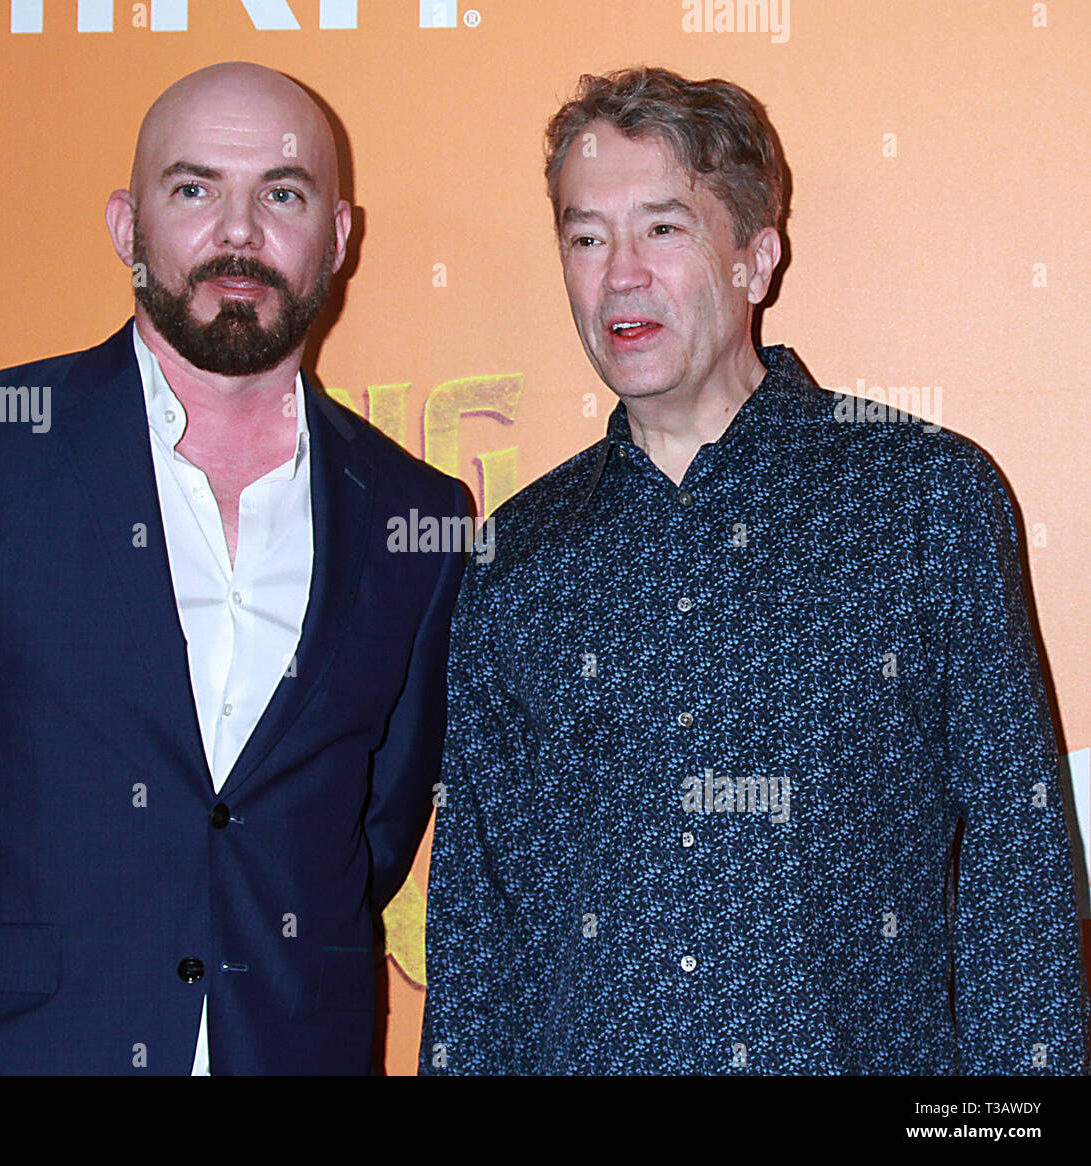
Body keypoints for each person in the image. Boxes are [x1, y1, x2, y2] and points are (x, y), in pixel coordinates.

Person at [0, 61, 469, 1075]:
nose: (238, 235)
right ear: (126, 224)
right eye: (193, 189)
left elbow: (367, 831)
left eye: (281, 194)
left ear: (336, 235)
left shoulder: (416, 516)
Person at [419, 65, 1090, 1074]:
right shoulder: (519, 558)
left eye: (662, 228)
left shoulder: (926, 500)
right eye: (585, 237)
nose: (618, 276)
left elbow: (1018, 871)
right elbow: (480, 936)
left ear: (756, 257)